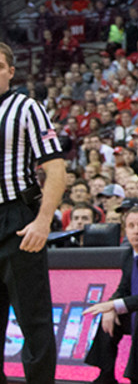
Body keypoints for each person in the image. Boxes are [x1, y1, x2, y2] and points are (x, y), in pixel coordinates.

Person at [0, 42, 67, 384]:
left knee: (34, 320)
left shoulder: (27, 108)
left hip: (17, 218)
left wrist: (42, 220)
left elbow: (56, 170)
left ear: (11, 72)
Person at [84, 207, 138, 384]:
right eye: (131, 226)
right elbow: (123, 288)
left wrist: (116, 305)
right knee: (107, 317)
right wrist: (110, 306)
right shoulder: (127, 255)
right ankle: (105, 375)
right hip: (137, 307)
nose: (136, 230)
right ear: (126, 231)